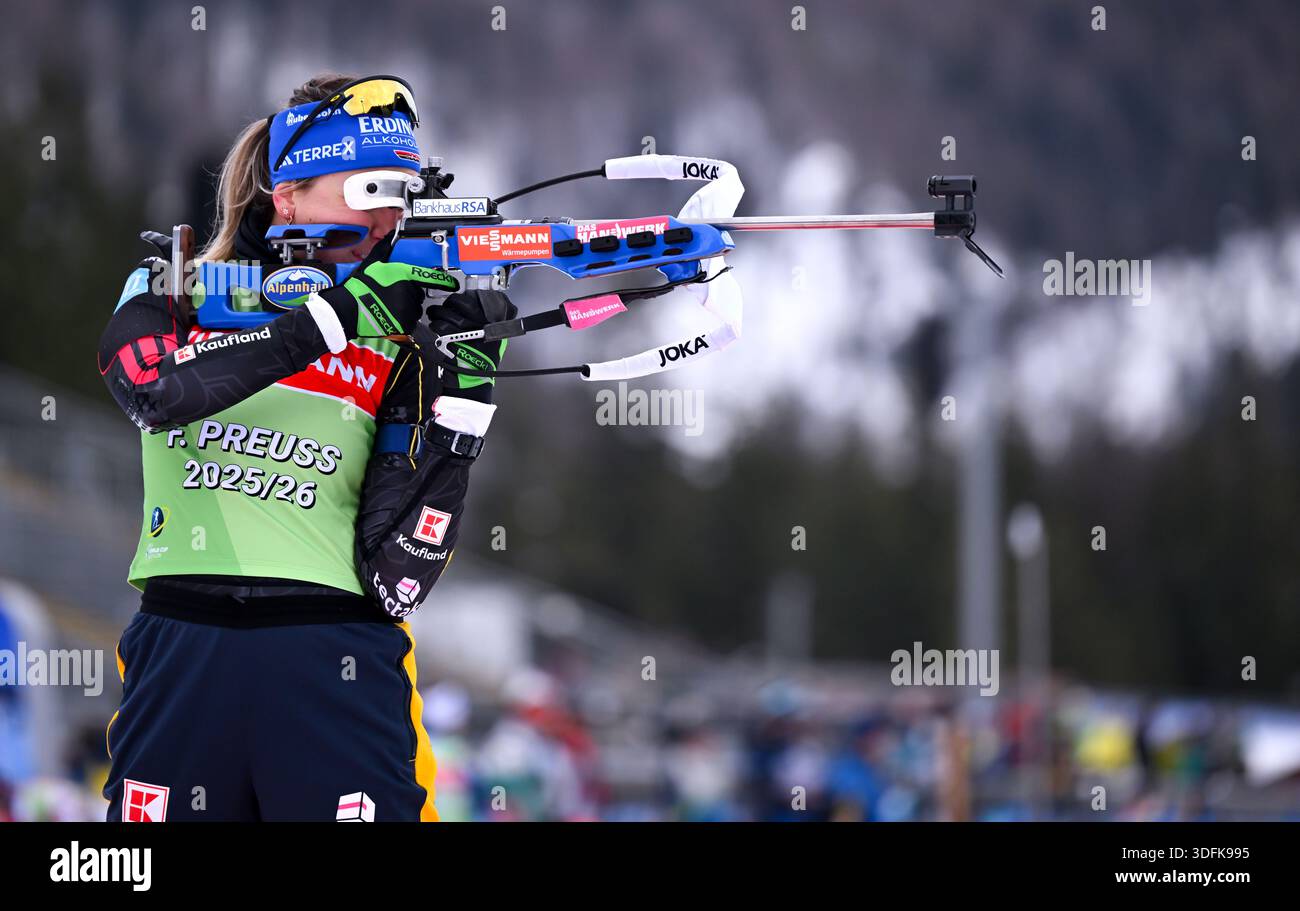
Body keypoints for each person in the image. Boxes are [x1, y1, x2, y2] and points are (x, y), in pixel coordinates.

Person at [95, 73, 515, 821]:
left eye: (402, 196)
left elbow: (398, 581)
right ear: (286, 195)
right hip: (183, 654)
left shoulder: (398, 326)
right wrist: (332, 320)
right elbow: (151, 390)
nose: (388, 218)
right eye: (367, 191)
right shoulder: (179, 285)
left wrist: (464, 404)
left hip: (334, 661)